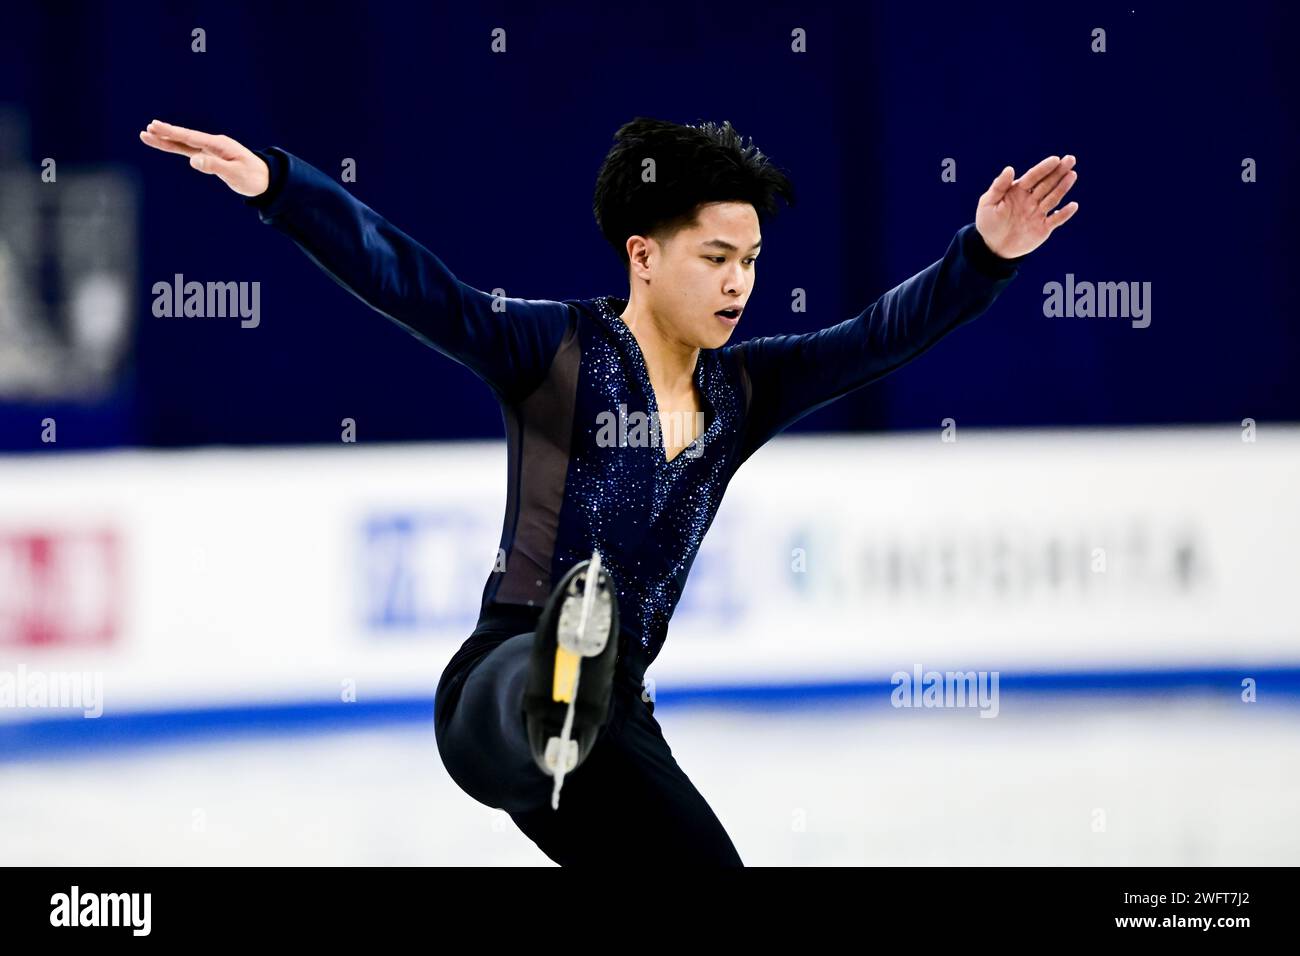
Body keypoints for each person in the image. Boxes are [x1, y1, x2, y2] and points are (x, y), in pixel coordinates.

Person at [139, 116, 1079, 866]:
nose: (740, 282)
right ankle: (558, 675)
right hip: (493, 690)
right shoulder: (555, 351)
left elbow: (879, 335)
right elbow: (414, 284)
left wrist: (984, 256)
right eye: (716, 257)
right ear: (643, 255)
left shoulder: (743, 392)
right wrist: (280, 187)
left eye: (751, 261)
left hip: (617, 720)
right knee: (542, 685)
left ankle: (578, 689)